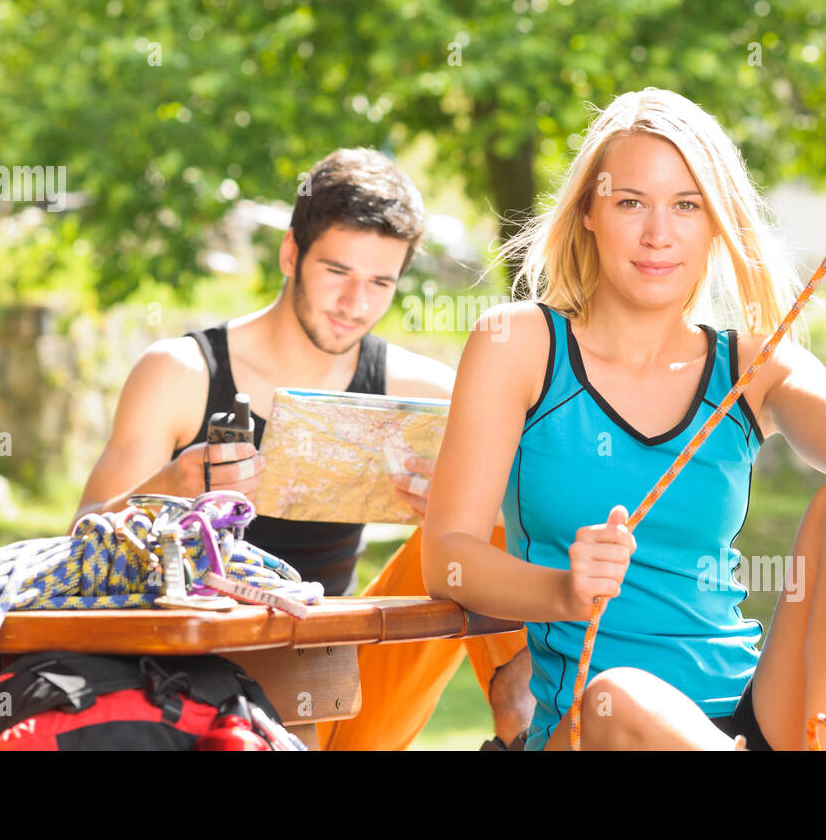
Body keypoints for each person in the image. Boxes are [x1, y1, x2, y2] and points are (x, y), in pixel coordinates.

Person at [421, 87, 826, 750]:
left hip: (751, 717)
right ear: (589, 209)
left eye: (686, 205)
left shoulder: (750, 364)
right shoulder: (520, 345)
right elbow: (447, 560)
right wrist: (563, 591)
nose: (658, 234)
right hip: (602, 727)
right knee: (622, 694)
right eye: (630, 202)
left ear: (715, 221)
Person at [74, 147, 532, 750]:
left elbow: (540, 521)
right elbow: (75, 554)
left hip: (337, 688)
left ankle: (529, 727)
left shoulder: (419, 388)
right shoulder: (180, 373)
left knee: (495, 522)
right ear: (291, 253)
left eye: (380, 283)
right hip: (194, 683)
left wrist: (456, 513)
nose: (356, 305)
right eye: (337, 273)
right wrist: (171, 486)